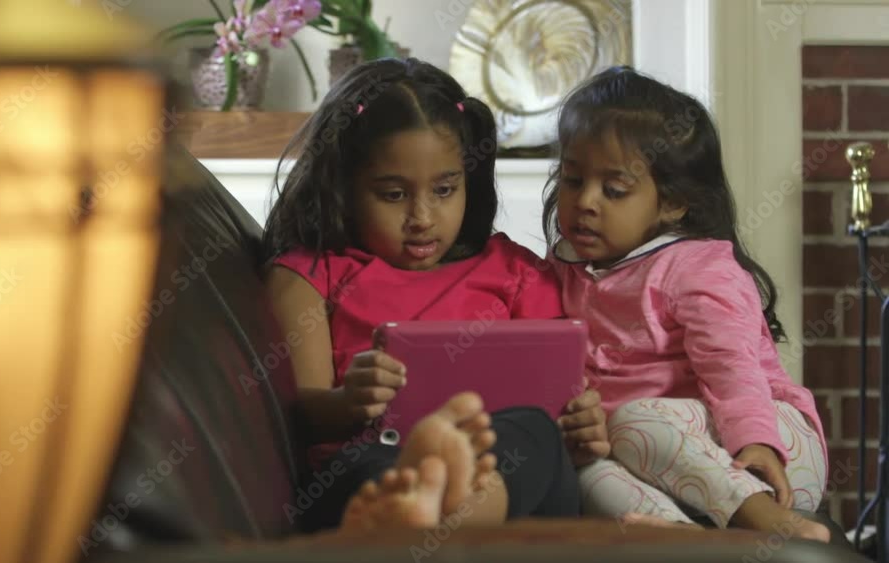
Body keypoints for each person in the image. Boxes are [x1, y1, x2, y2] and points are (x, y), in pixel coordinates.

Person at [261, 57, 608, 533]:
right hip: (375, 463)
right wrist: (349, 401)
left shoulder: (517, 272)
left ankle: (445, 510)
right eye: (393, 195)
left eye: (444, 190)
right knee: (368, 468)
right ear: (343, 188)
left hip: (498, 460)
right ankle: (431, 505)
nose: (422, 218)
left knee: (535, 431)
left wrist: (583, 424)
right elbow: (298, 416)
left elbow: (561, 397)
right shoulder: (308, 276)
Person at [543, 66, 830, 542]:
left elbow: (732, 369)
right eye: (572, 180)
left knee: (633, 422)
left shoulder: (698, 268)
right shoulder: (563, 270)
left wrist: (757, 440)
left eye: (614, 190)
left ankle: (769, 521)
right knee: (586, 468)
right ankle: (685, 541)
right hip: (659, 465)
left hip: (768, 448)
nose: (586, 201)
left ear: (673, 203)